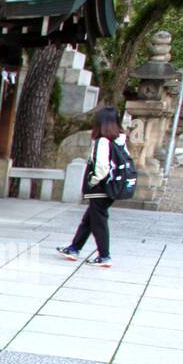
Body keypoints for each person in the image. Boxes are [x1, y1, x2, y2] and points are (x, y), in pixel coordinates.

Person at [57, 106, 127, 267]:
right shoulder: (120, 140)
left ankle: (104, 255)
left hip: (100, 188)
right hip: (112, 187)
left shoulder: (103, 141)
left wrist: (93, 181)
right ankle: (74, 248)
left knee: (98, 221)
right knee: (89, 219)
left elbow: (101, 167)